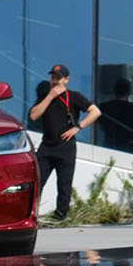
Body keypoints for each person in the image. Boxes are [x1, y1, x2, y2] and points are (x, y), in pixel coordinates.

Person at [26, 64, 99, 221]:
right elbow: (33, 115)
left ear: (66, 80)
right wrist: (50, 96)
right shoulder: (45, 97)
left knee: (64, 185)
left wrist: (78, 127)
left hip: (66, 146)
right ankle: (31, 216)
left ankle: (60, 217)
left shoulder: (74, 96)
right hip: (46, 146)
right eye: (52, 77)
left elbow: (95, 111)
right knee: (37, 182)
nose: (54, 81)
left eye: (58, 78)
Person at [97, 79, 133, 152]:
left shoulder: (104, 106)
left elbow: (101, 125)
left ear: (114, 91)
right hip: (127, 146)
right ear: (129, 92)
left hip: (108, 144)